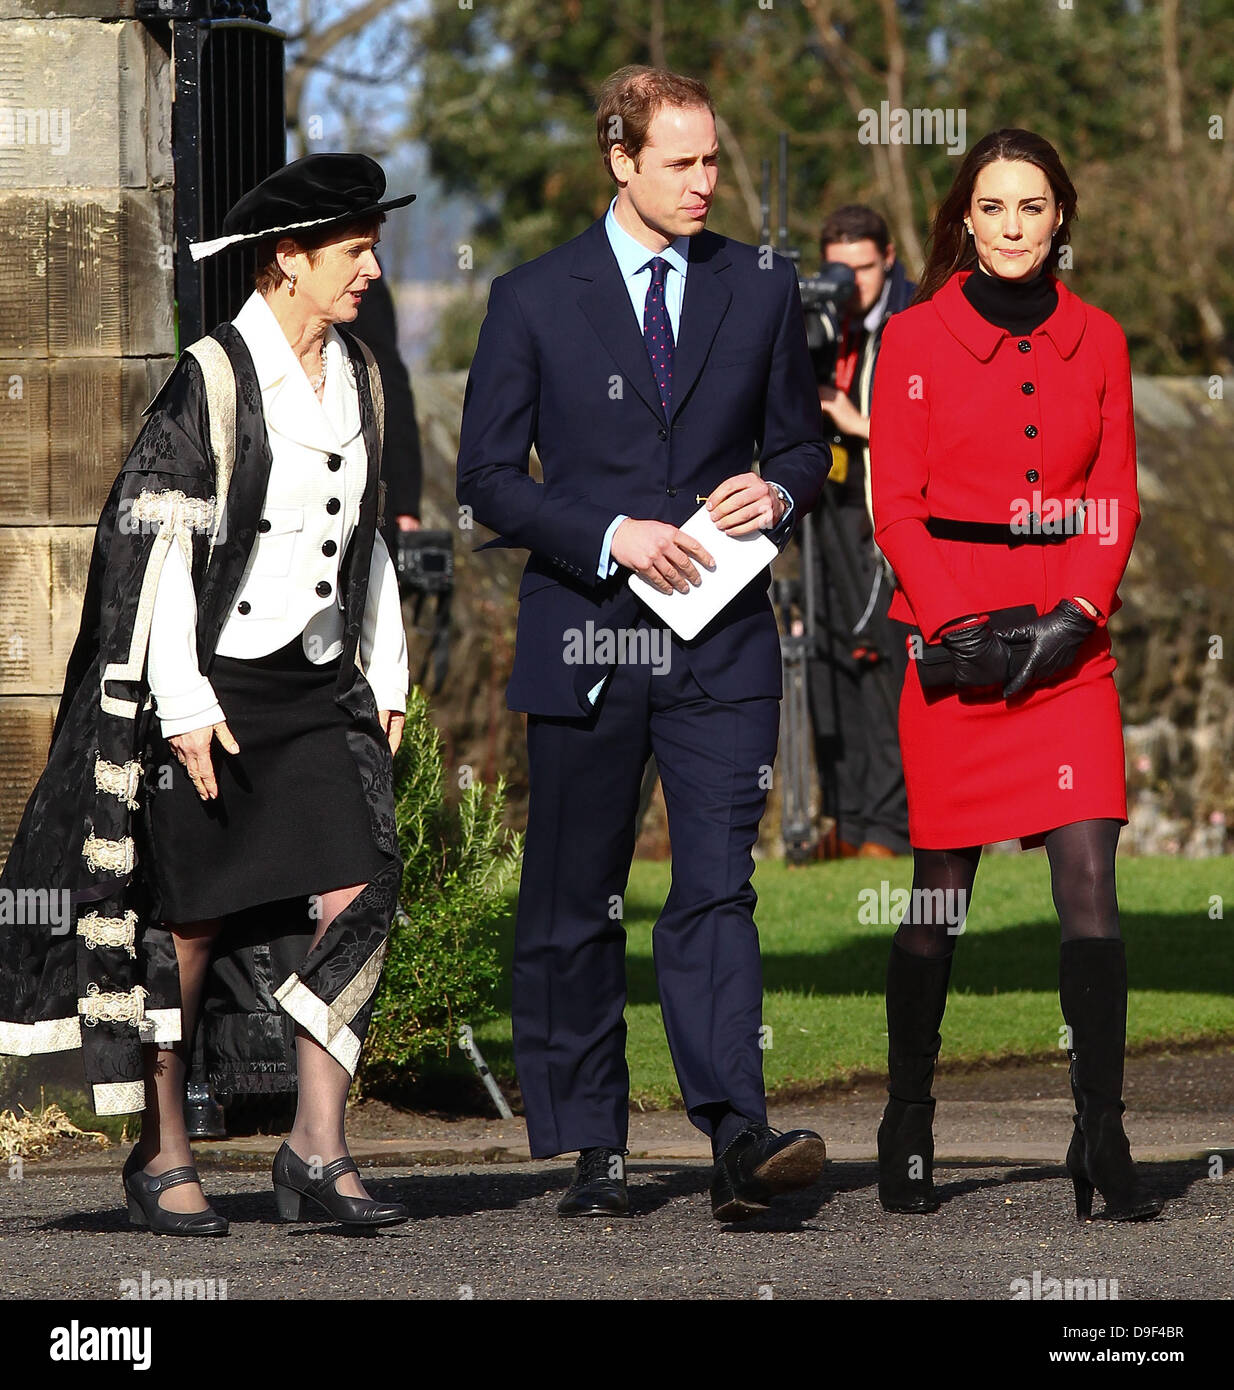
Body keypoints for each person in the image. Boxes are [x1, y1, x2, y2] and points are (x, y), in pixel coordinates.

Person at [0, 153, 414, 1235]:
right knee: (184, 926)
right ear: (289, 259)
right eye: (354, 249)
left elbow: (369, 538)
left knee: (359, 888)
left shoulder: (362, 374)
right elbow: (156, 554)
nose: (372, 267)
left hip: (320, 684)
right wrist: (180, 704)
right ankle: (162, 1148)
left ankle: (316, 1148)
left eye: (372, 245)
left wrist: (391, 671)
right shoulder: (212, 375)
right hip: (215, 687)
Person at [457, 65, 832, 1222]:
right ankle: (593, 1144)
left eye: (714, 160)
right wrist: (611, 532)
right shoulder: (529, 298)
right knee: (577, 893)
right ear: (622, 162)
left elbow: (808, 451)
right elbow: (484, 483)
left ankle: (737, 1136)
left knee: (717, 888)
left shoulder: (760, 288)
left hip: (723, 643)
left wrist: (774, 495)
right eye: (683, 163)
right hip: (586, 632)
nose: (706, 183)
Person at [868, 128, 1161, 1222]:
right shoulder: (909, 338)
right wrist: (960, 627)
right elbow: (893, 504)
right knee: (937, 896)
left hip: (1071, 653)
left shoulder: (1103, 339)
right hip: (952, 646)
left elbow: (1114, 496)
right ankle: (907, 1116)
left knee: (1090, 877)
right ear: (962, 219)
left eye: (1030, 208)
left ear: (1058, 219)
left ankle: (1103, 1125)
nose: (1010, 227)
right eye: (990, 207)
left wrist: (1076, 614)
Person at [806, 205, 915, 859]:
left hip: (885, 518)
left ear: (890, 259)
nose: (850, 285)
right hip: (825, 515)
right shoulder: (819, 322)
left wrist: (857, 420)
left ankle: (889, 829)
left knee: (888, 668)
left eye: (863, 270)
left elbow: (945, 438)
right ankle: (844, 819)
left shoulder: (913, 324)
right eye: (836, 271)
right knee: (828, 662)